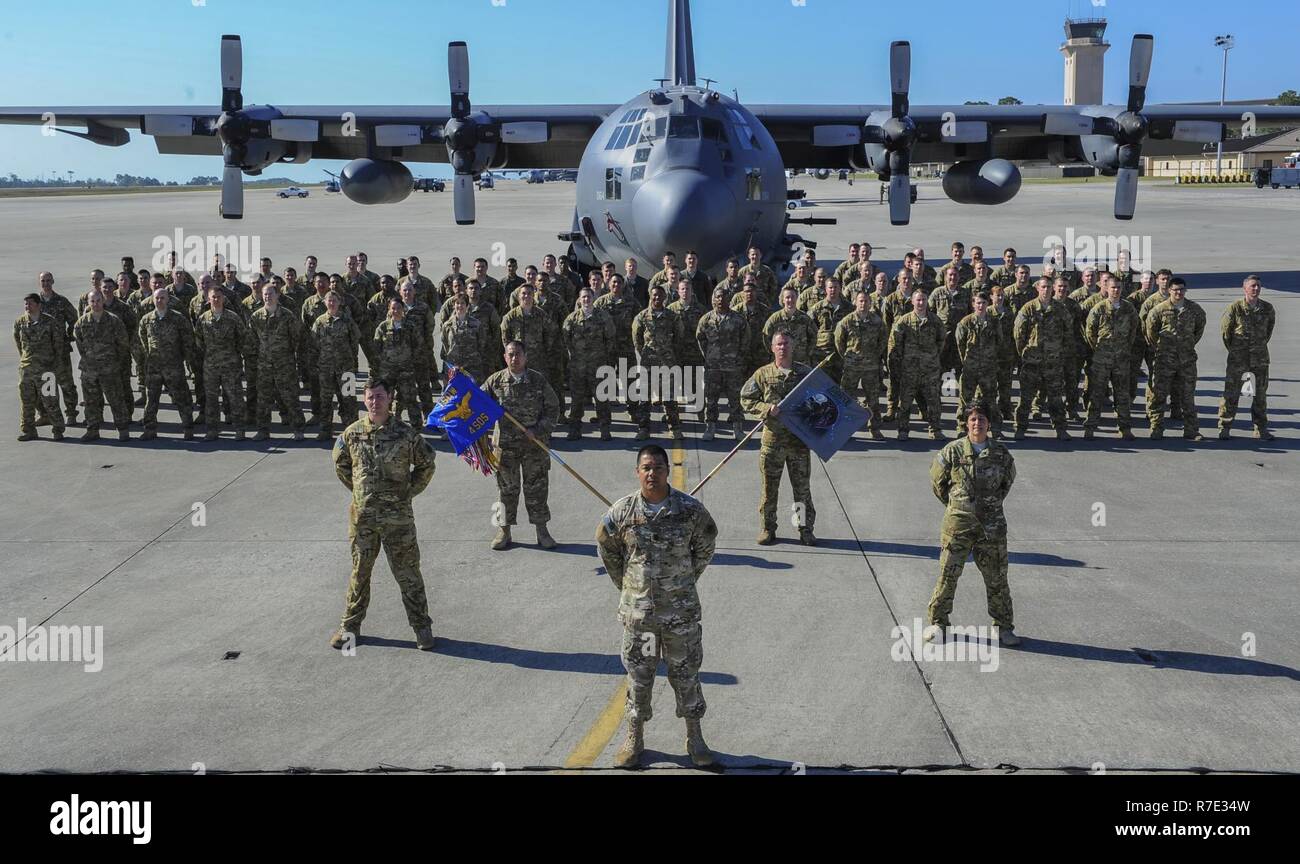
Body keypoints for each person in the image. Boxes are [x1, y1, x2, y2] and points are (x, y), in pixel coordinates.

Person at [597, 444, 719, 769]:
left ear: (668, 470)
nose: (653, 474)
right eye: (647, 468)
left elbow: (706, 544)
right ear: (638, 472)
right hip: (641, 620)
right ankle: (634, 738)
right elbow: (607, 548)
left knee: (687, 675)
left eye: (659, 468)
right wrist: (629, 587)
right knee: (639, 677)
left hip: (680, 618)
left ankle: (695, 737)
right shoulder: (622, 512)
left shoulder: (690, 511)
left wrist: (684, 580)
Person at [330, 378, 436, 652]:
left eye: (379, 396)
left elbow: (426, 464)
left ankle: (422, 627)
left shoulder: (405, 434)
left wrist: (407, 493)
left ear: (390, 398)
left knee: (408, 573)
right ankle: (349, 628)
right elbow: (340, 464)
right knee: (360, 573)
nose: (374, 402)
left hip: (397, 520)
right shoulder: (352, 434)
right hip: (363, 520)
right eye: (370, 397)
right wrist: (359, 493)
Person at [924, 403, 1020, 647]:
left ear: (989, 424)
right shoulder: (952, 451)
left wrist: (989, 505)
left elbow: (1006, 483)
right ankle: (938, 623)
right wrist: (958, 505)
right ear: (966, 424)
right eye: (973, 419)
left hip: (992, 528)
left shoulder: (1001, 454)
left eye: (982, 419)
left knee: (997, 578)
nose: (977, 424)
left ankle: (1004, 627)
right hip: (958, 526)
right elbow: (938, 483)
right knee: (948, 575)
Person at [740, 330, 817, 546]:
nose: (782, 347)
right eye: (779, 344)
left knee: (801, 489)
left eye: (786, 344)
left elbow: (821, 400)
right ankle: (768, 528)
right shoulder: (763, 374)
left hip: (799, 443)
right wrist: (766, 408)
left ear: (793, 347)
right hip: (772, 442)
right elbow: (746, 399)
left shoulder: (805, 373)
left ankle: (804, 528)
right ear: (772, 348)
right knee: (769, 489)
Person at [483, 341, 560, 551]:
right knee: (505, 491)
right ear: (504, 357)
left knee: (537, 489)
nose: (514, 358)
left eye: (518, 354)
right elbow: (477, 406)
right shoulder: (495, 382)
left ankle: (542, 531)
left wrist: (539, 429)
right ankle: (503, 530)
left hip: (533, 446)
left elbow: (553, 409)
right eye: (510, 354)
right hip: (505, 448)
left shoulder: (537, 380)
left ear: (526, 357)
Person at [1145, 277, 1206, 441]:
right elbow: (1150, 333)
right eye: (1175, 290)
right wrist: (1163, 348)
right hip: (1165, 360)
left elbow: (1199, 329)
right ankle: (1156, 429)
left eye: (1182, 290)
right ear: (1169, 291)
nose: (1179, 293)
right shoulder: (1159, 310)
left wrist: (1187, 344)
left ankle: (1191, 430)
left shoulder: (1194, 309)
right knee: (1159, 395)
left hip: (1186, 360)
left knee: (1187, 397)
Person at [1217, 275, 1275, 440]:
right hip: (1238, 360)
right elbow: (1225, 333)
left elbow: (1268, 331)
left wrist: (1257, 347)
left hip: (1260, 359)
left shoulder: (1268, 308)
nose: (1255, 289)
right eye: (1252, 286)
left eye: (1258, 286)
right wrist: (1236, 350)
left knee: (1260, 395)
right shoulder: (1235, 308)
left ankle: (1260, 428)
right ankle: (1225, 427)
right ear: (1245, 288)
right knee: (1231, 394)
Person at [1083, 276, 1140, 440]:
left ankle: (1125, 428)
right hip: (1102, 359)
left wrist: (1123, 348)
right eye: (1113, 287)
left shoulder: (1128, 309)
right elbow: (1090, 332)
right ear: (1106, 288)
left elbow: (1133, 330)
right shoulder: (1099, 308)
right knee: (1097, 394)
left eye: (1119, 288)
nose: (1116, 290)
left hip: (1121, 359)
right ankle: (1091, 427)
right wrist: (1100, 349)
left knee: (1122, 394)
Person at [1013, 278, 1069, 440]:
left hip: (1053, 362)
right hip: (1032, 362)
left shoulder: (1060, 309)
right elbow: (1018, 335)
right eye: (1043, 287)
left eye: (1049, 287)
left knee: (1056, 397)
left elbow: (1068, 332)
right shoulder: (1028, 308)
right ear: (1038, 288)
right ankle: (1021, 428)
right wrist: (1025, 353)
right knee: (1026, 398)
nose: (1046, 290)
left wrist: (1059, 352)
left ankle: (1060, 428)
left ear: (1053, 289)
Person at [194, 283, 251, 441]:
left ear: (224, 299)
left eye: (219, 297)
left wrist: (234, 355)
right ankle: (212, 429)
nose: (216, 300)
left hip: (230, 365)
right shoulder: (203, 319)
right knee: (211, 399)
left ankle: (239, 429)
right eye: (213, 297)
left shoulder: (232, 318)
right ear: (208, 299)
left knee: (235, 397)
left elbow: (243, 339)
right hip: (211, 366)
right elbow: (198, 341)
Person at [73, 288, 132, 441]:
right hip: (89, 370)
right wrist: (89, 359)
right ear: (88, 303)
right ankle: (93, 429)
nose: (96, 304)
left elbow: (123, 343)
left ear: (103, 301)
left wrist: (114, 361)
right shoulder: (81, 323)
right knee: (91, 401)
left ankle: (123, 429)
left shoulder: (113, 320)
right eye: (92, 301)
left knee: (116, 399)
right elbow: (79, 344)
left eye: (98, 300)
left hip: (109, 369)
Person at [139, 287, 197, 441]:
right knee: (151, 399)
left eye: (162, 298)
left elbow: (188, 340)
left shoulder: (178, 319)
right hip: (154, 367)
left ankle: (188, 428)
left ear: (168, 299)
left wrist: (183, 358)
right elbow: (143, 340)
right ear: (153, 300)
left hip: (174, 366)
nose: (159, 301)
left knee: (181, 398)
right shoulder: (146, 319)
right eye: (157, 298)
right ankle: (150, 429)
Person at [249, 282, 306, 441]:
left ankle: (298, 429)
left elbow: (296, 338)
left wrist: (287, 355)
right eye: (265, 294)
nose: (267, 296)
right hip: (264, 365)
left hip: (284, 365)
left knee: (290, 397)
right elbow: (252, 340)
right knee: (263, 399)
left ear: (277, 295)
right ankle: (263, 430)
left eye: (270, 294)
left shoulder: (287, 316)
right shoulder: (256, 316)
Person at [888, 290, 946, 441]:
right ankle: (903, 430)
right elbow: (896, 345)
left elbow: (941, 341)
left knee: (934, 401)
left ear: (927, 301)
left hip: (930, 371)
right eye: (918, 300)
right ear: (912, 302)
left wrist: (931, 357)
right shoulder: (904, 321)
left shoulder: (935, 321)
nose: (921, 303)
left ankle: (935, 429)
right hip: (909, 370)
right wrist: (902, 364)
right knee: (905, 402)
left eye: (923, 300)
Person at [696, 285, 750, 440]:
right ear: (714, 299)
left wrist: (738, 358)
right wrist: (709, 356)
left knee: (735, 398)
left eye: (724, 297)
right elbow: (700, 338)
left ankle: (737, 428)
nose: (720, 300)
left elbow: (745, 340)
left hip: (733, 367)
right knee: (711, 399)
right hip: (713, 367)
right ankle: (710, 427)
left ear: (729, 299)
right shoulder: (706, 319)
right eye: (718, 297)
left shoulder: (738, 319)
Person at [631, 284, 684, 440]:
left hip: (668, 363)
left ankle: (674, 428)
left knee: (670, 398)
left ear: (664, 297)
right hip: (648, 363)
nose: (657, 298)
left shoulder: (672, 316)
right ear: (650, 296)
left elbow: (679, 337)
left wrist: (669, 353)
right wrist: (645, 353)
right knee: (645, 398)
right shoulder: (641, 317)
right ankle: (644, 429)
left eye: (660, 296)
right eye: (654, 295)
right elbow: (637, 339)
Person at [561, 287, 615, 440]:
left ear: (593, 298)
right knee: (577, 399)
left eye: (588, 297)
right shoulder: (571, 319)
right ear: (579, 299)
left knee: (601, 399)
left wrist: (605, 359)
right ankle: (575, 429)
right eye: (583, 297)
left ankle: (605, 429)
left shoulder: (603, 317)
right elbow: (566, 340)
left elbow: (610, 339)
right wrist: (575, 356)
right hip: (578, 367)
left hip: (598, 365)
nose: (586, 300)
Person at [835, 286, 886, 440]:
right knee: (846, 398)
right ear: (855, 302)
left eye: (866, 301)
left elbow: (883, 340)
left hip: (871, 367)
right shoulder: (847, 321)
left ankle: (875, 428)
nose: (863, 304)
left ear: (870, 303)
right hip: (851, 367)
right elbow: (839, 342)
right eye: (861, 301)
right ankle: (845, 428)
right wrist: (848, 357)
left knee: (873, 398)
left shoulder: (877, 321)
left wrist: (875, 355)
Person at [14, 293, 67, 441]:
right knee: (27, 402)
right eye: (25, 304)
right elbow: (19, 343)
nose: (27, 306)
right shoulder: (20, 322)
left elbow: (58, 345)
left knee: (51, 401)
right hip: (27, 370)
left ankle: (58, 429)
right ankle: (28, 430)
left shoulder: (50, 322)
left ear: (38, 305)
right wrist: (25, 360)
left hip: (46, 370)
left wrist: (54, 365)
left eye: (30, 303)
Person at [311, 291, 362, 441]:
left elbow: (355, 342)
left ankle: (353, 430)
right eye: (329, 301)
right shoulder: (319, 322)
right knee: (325, 399)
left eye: (334, 300)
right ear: (325, 303)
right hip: (326, 369)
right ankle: (325, 429)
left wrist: (352, 362)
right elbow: (314, 345)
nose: (332, 303)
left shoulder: (347, 320)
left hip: (346, 368)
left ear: (339, 302)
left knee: (349, 399)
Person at [954, 293, 1002, 437]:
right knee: (965, 400)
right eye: (978, 303)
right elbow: (960, 344)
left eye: (983, 303)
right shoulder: (965, 322)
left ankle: (995, 429)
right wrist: (967, 361)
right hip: (970, 368)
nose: (981, 306)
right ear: (973, 304)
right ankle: (962, 428)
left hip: (988, 368)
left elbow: (999, 341)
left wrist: (990, 357)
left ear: (988, 304)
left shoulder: (994, 322)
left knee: (991, 400)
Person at [373, 298, 423, 428]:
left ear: (403, 309)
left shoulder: (410, 326)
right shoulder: (383, 327)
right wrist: (381, 363)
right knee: (386, 399)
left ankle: (416, 426)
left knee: (410, 397)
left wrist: (412, 361)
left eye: (398, 308)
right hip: (387, 370)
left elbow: (418, 346)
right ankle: (386, 424)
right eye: (393, 308)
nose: (396, 311)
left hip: (406, 369)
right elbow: (376, 347)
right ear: (389, 310)